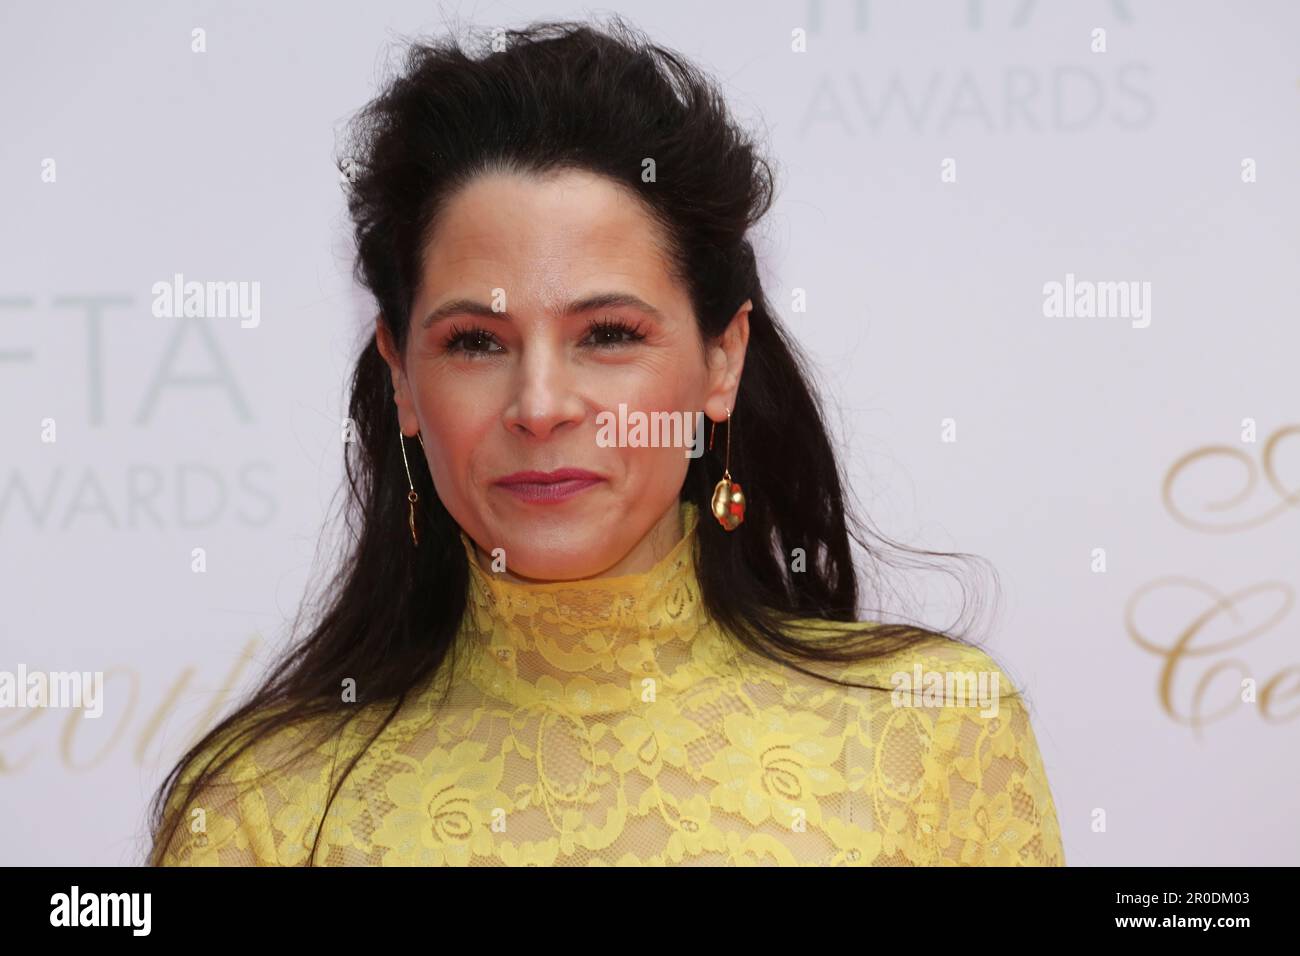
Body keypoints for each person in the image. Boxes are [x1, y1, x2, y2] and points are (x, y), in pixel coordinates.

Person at [148, 16, 1064, 867]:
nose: (540, 406)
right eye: (475, 343)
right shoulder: (259, 812)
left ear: (721, 360)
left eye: (609, 334)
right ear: (401, 377)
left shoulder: (933, 732)